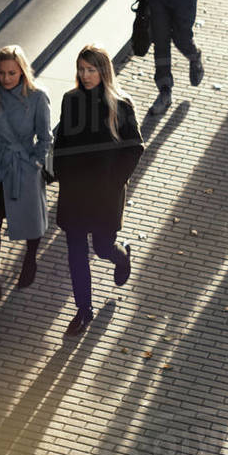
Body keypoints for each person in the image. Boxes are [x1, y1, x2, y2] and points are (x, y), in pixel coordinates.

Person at [52, 45, 144, 336]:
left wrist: (116, 180)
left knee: (102, 247)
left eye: (91, 70)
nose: (86, 75)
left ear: (103, 71)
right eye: (81, 69)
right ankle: (83, 310)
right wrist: (59, 172)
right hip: (75, 193)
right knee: (76, 254)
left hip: (105, 193)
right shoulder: (70, 100)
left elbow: (135, 148)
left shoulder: (120, 104)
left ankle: (123, 255)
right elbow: (62, 141)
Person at [0, 45, 52, 306]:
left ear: (22, 71)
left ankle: (30, 259)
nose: (6, 78)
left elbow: (45, 137)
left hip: (24, 166)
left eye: (12, 73)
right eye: (2, 73)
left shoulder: (38, 97)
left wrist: (35, 162)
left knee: (30, 221)